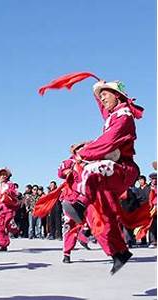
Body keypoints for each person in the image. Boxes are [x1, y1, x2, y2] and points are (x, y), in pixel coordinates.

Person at [62, 80, 143, 275]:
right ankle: (119, 253)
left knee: (92, 169)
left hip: (122, 169)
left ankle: (79, 205)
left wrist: (83, 152)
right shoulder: (113, 115)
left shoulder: (124, 118)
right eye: (101, 96)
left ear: (118, 96)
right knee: (101, 216)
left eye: (105, 94)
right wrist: (96, 92)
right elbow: (104, 111)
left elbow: (108, 142)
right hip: (106, 176)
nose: (102, 98)